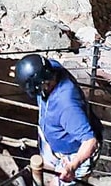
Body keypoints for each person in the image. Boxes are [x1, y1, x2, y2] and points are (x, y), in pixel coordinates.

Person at [13, 54, 103, 185]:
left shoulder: (67, 106)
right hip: (54, 140)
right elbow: (37, 66)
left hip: (73, 152)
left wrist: (72, 166)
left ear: (45, 85)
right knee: (44, 170)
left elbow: (90, 141)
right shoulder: (51, 68)